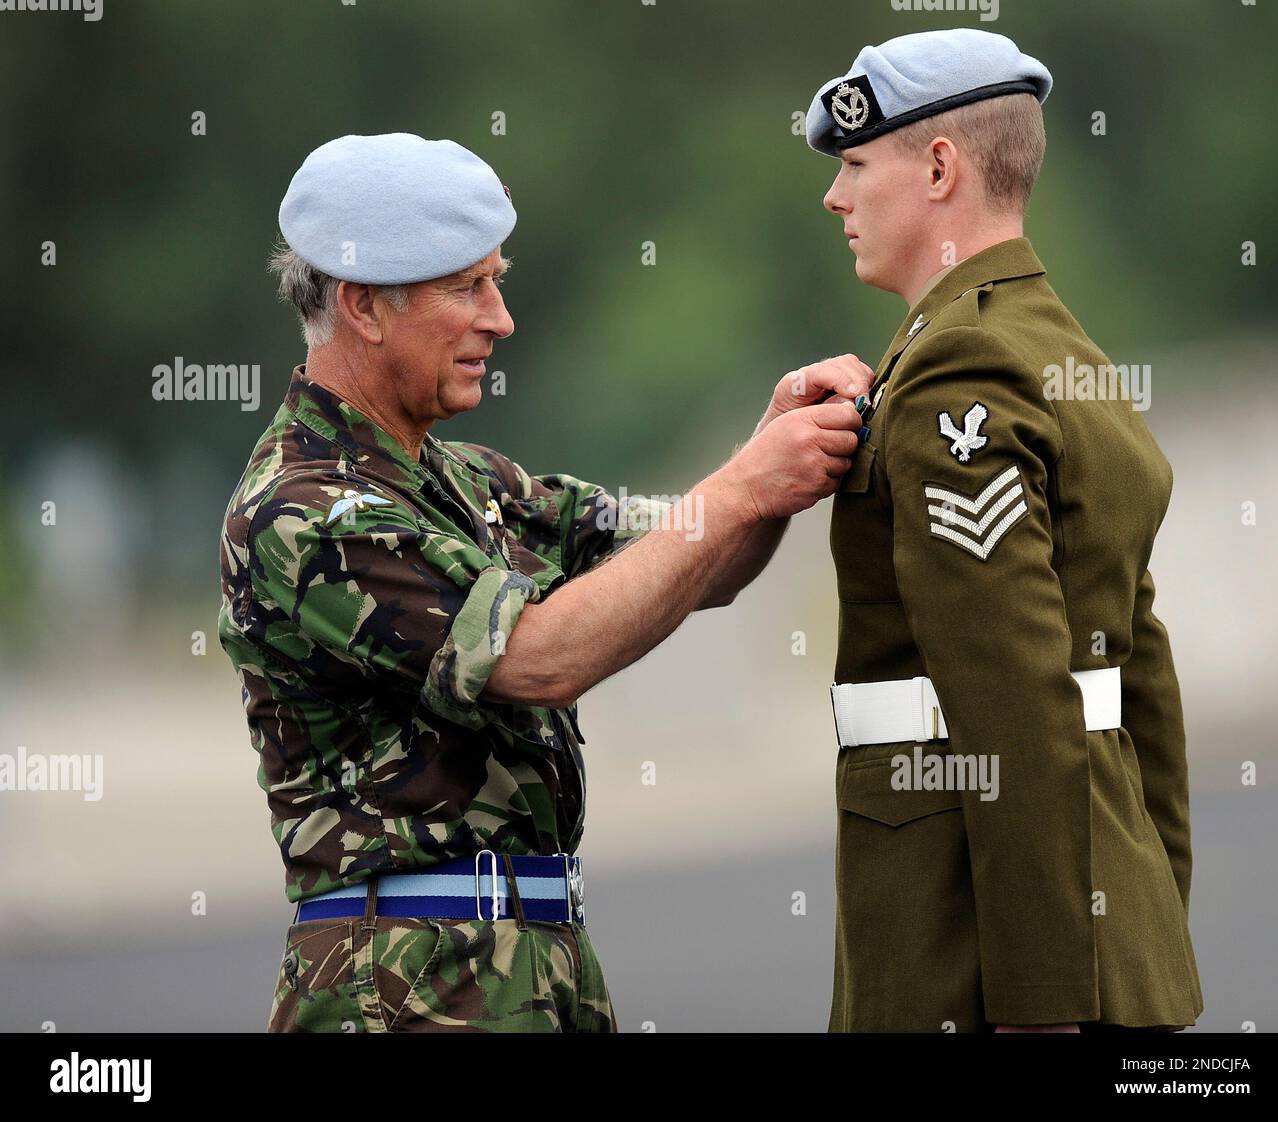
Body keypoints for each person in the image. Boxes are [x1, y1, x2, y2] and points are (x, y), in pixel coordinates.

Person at [217, 132, 869, 1032]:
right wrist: (745, 485)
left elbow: (692, 562)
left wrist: (768, 458)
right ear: (365, 306)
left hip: (530, 964)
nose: (500, 319)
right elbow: (537, 658)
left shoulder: (470, 480)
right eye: (466, 287)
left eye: (497, 280)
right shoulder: (302, 509)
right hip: (402, 987)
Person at [805, 29, 1203, 1032]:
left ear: (940, 167)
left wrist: (1040, 1001)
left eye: (856, 164)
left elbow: (1012, 692)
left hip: (970, 954)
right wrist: (1142, 917)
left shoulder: (957, 369)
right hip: (1105, 931)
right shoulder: (1065, 350)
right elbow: (1135, 677)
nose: (835, 198)